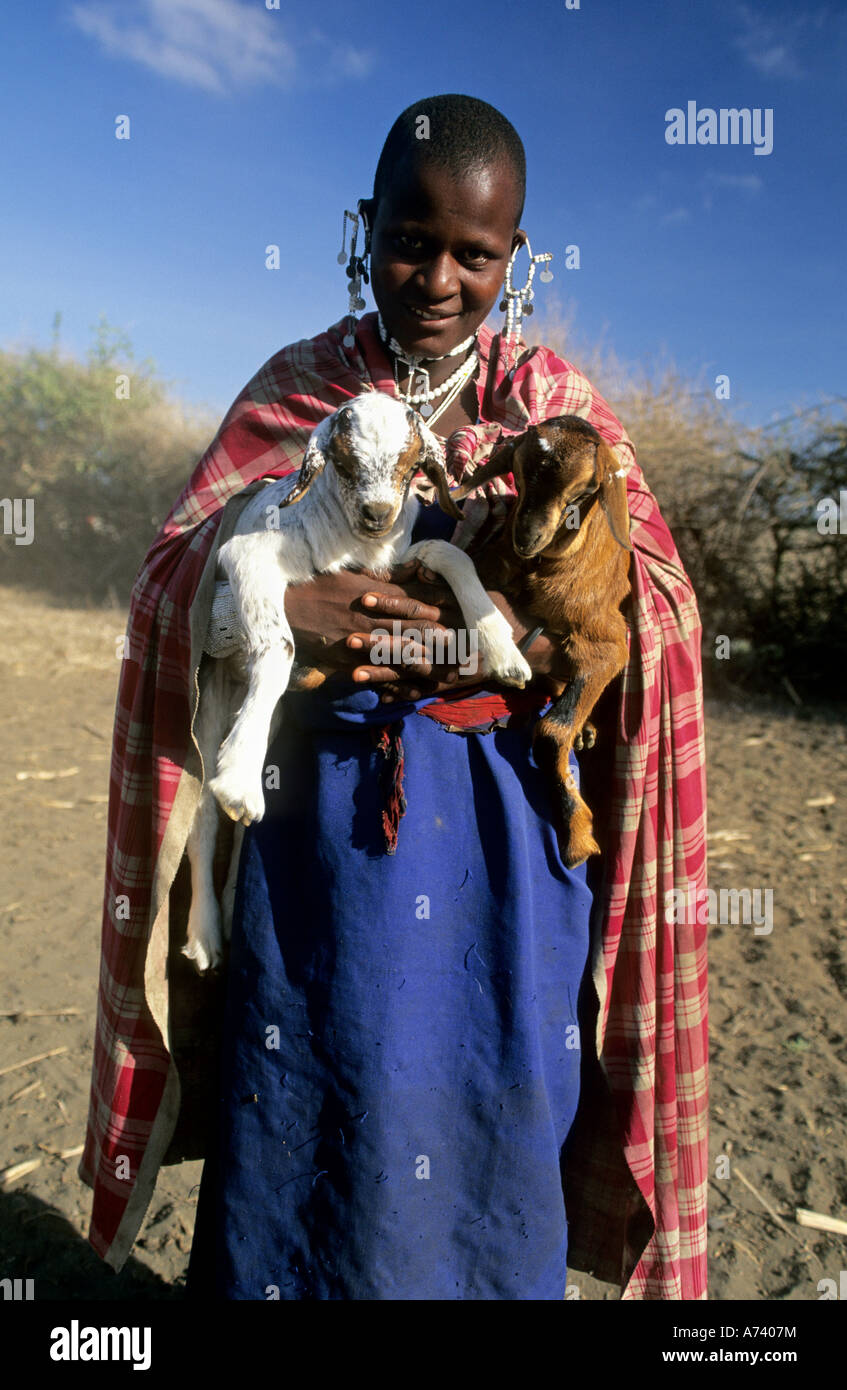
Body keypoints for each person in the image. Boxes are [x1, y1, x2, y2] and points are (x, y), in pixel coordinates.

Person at [80, 94, 709, 1300]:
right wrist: (267, 595)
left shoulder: (551, 406)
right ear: (363, 229)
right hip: (318, 829)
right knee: (318, 1072)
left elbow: (661, 608)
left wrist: (522, 623)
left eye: (473, 252)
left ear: (513, 258)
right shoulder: (300, 387)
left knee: (493, 1087)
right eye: (410, 240)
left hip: (505, 841)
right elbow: (172, 569)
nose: (435, 276)